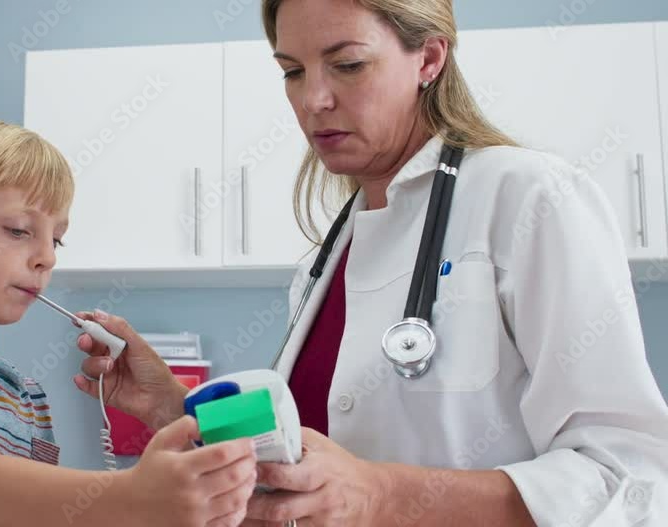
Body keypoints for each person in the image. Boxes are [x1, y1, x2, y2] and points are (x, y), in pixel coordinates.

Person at [71, 1, 668, 525]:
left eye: (348, 64)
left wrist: (381, 496)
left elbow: (630, 475)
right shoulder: (323, 262)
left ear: (429, 59)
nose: (314, 99)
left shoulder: (530, 198)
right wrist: (170, 404)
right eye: (292, 72)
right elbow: (303, 462)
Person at [0, 115, 258, 527]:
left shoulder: (23, 393)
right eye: (18, 230)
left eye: (56, 239)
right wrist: (135, 497)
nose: (48, 257)